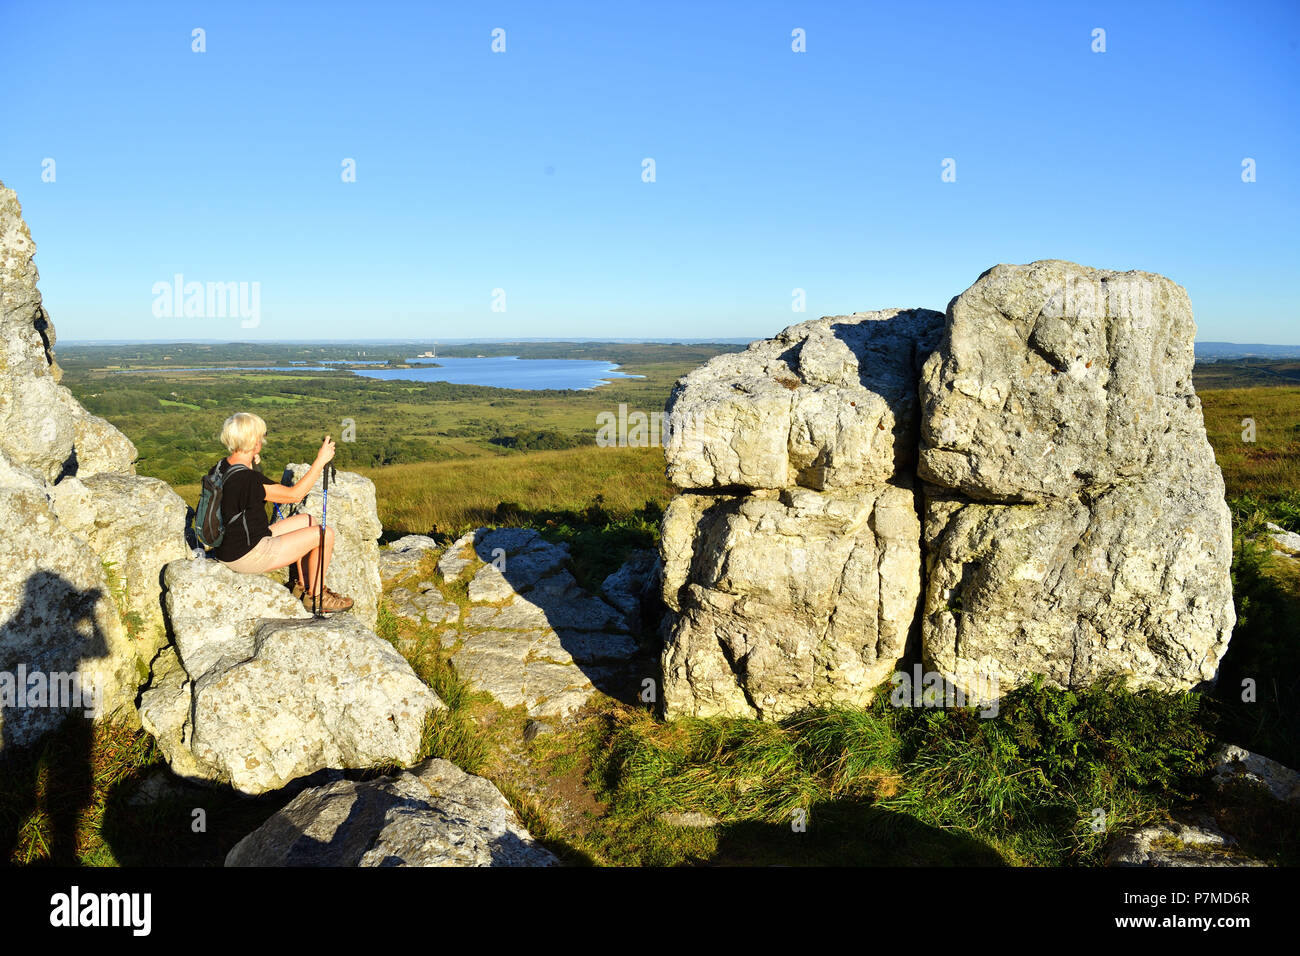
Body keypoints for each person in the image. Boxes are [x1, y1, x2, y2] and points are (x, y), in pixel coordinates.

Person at [208, 412, 354, 613]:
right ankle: (317, 597)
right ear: (255, 442)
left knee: (309, 521)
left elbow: (238, 494)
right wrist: (320, 461)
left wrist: (250, 459)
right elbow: (295, 495)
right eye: (261, 436)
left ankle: (303, 587)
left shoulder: (221, 467)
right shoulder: (248, 480)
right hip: (247, 554)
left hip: (232, 544)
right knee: (324, 534)